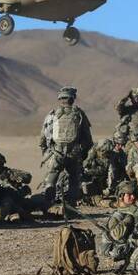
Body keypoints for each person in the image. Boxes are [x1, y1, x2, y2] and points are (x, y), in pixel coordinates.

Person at [39, 86, 94, 217]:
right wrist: (82, 152)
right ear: (72, 98)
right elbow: (88, 139)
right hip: (74, 154)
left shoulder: (52, 115)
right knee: (74, 181)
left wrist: (46, 152)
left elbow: (43, 137)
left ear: (60, 99)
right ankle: (70, 210)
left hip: (56, 153)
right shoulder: (79, 114)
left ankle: (47, 207)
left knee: (50, 180)